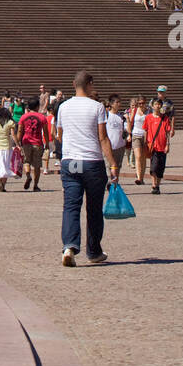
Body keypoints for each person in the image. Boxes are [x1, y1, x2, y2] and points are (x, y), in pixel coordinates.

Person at [56, 72, 117, 266]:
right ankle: (94, 251)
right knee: (93, 209)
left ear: (74, 84)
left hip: (70, 161)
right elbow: (103, 138)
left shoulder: (63, 107)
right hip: (92, 162)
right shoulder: (97, 106)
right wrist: (113, 164)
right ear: (90, 84)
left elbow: (59, 134)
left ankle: (69, 247)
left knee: (71, 206)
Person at [17, 97, 49, 191]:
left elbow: (19, 130)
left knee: (26, 162)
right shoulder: (42, 117)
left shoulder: (23, 117)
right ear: (37, 106)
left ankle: (28, 175)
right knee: (37, 166)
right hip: (38, 143)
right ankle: (35, 185)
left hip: (26, 142)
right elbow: (45, 132)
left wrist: (18, 142)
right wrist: (46, 143)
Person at [143, 100, 171, 194]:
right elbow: (145, 131)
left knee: (161, 167)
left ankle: (157, 185)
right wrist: (145, 143)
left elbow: (167, 132)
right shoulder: (148, 118)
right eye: (156, 104)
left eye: (159, 104)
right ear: (152, 106)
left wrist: (167, 144)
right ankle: (153, 184)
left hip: (162, 146)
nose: (157, 106)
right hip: (153, 146)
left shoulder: (165, 118)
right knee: (153, 167)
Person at [105, 94, 127, 182]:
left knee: (117, 166)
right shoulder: (106, 115)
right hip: (108, 146)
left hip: (119, 146)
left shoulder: (121, 116)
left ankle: (115, 184)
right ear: (111, 104)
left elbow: (126, 130)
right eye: (117, 102)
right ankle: (109, 183)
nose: (119, 104)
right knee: (108, 166)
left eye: (119, 102)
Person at [128, 97, 147, 184]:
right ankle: (139, 178)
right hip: (136, 135)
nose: (141, 105)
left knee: (143, 158)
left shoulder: (148, 111)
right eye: (139, 103)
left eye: (143, 103)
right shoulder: (134, 110)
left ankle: (142, 177)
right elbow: (130, 122)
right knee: (138, 156)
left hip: (146, 135)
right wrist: (129, 134)